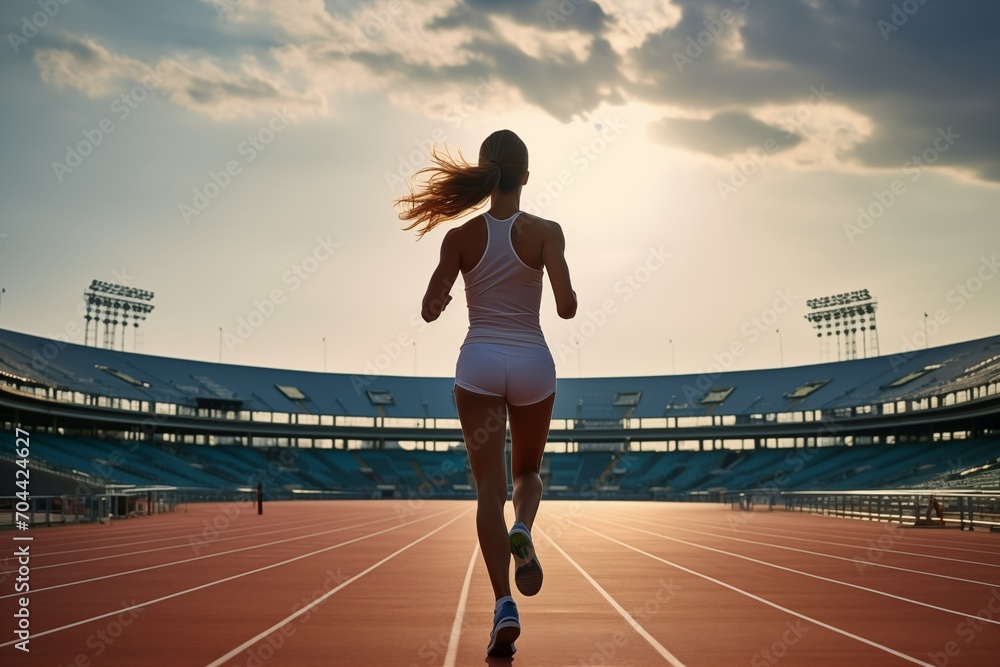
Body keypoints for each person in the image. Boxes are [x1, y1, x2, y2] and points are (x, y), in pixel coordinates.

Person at [396, 129, 577, 657]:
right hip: (532, 366)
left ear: (483, 174)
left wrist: (441, 300)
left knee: (486, 493)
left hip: (478, 364)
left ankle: (503, 605)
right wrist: (563, 289)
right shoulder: (548, 232)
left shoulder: (460, 238)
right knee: (527, 475)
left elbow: (430, 307)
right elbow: (565, 307)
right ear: (524, 175)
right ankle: (523, 526)